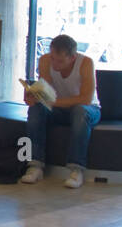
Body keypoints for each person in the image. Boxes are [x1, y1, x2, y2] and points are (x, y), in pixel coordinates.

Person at [20, 34, 101, 189]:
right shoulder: (45, 60)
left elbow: (85, 99)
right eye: (53, 58)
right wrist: (34, 97)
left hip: (89, 108)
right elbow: (47, 90)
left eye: (60, 61)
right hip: (58, 107)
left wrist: (52, 102)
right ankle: (35, 165)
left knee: (80, 112)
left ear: (72, 58)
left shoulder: (86, 63)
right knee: (36, 110)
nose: (55, 64)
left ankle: (76, 169)